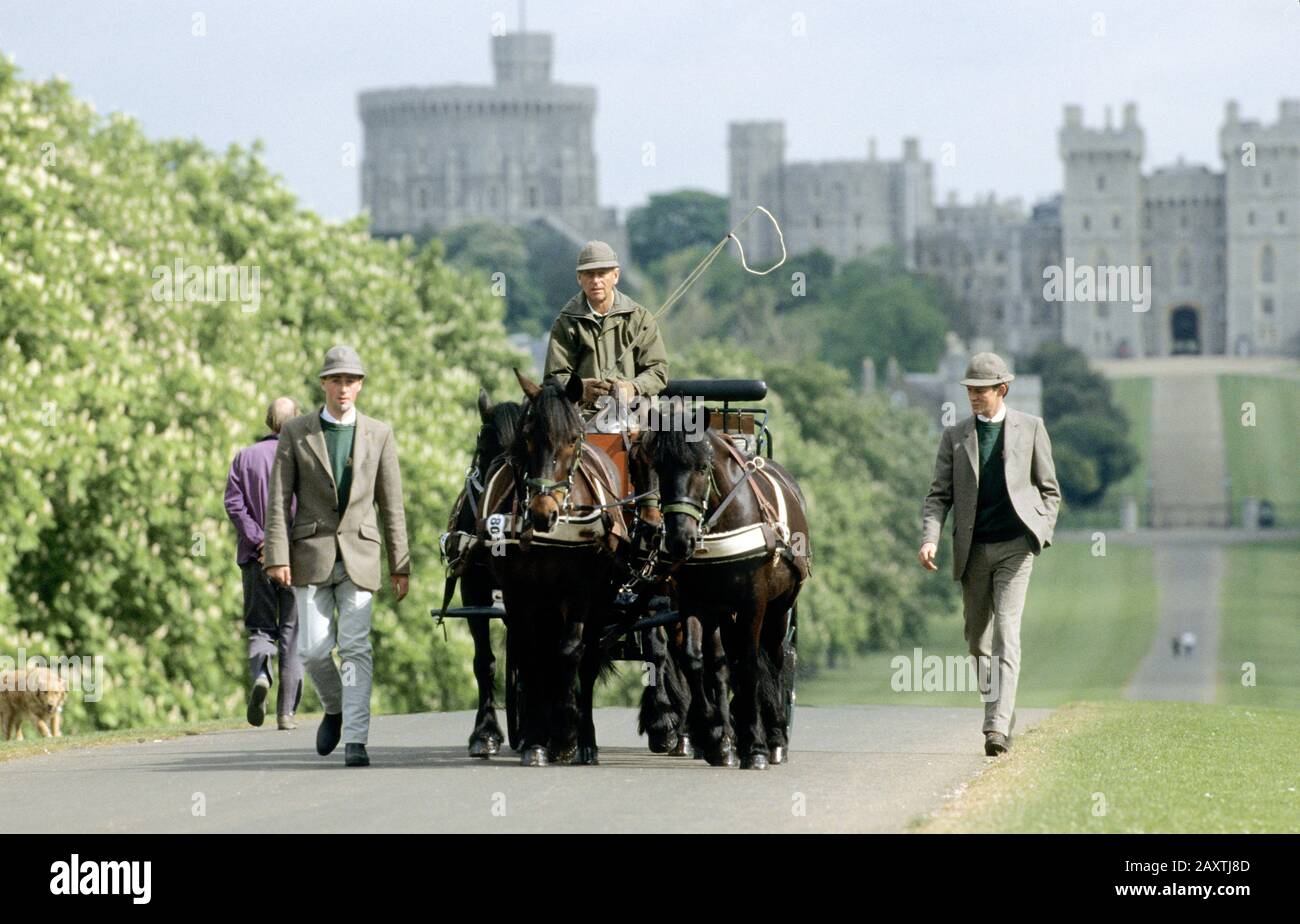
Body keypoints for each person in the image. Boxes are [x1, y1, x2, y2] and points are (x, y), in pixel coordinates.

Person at [264, 346, 410, 768]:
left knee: (356, 648)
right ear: (324, 384)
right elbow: (278, 500)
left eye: (351, 380)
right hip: (310, 554)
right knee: (310, 650)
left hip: (361, 555)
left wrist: (400, 563)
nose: (343, 387)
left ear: (360, 385)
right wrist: (276, 554)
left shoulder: (379, 434)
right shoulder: (297, 432)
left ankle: (357, 741)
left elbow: (392, 504)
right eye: (336, 380)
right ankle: (336, 707)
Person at [919, 352, 1061, 757]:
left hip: (1016, 548)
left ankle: (996, 725)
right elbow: (938, 497)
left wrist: (1041, 531)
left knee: (1006, 633)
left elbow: (1049, 489)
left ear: (1003, 389)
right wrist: (930, 538)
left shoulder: (1032, 428)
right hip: (973, 549)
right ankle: (1001, 708)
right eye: (970, 391)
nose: (974, 397)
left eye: (981, 391)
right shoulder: (955, 436)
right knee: (977, 642)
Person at [224, 397, 304, 730]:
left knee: (261, 629)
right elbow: (311, 510)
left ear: (267, 420)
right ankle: (286, 713)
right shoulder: (303, 459)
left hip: (256, 560)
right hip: (295, 561)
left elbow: (234, 504)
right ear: (297, 421)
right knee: (291, 635)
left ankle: (261, 674)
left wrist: (260, 543)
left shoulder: (244, 458)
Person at [543, 240, 668, 415]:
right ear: (579, 278)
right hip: (582, 419)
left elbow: (658, 370)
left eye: (602, 274)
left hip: (634, 416)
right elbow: (552, 379)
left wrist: (633, 387)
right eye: (589, 274)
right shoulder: (566, 322)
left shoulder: (639, 317)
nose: (596, 281)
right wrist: (582, 389)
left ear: (615, 276)